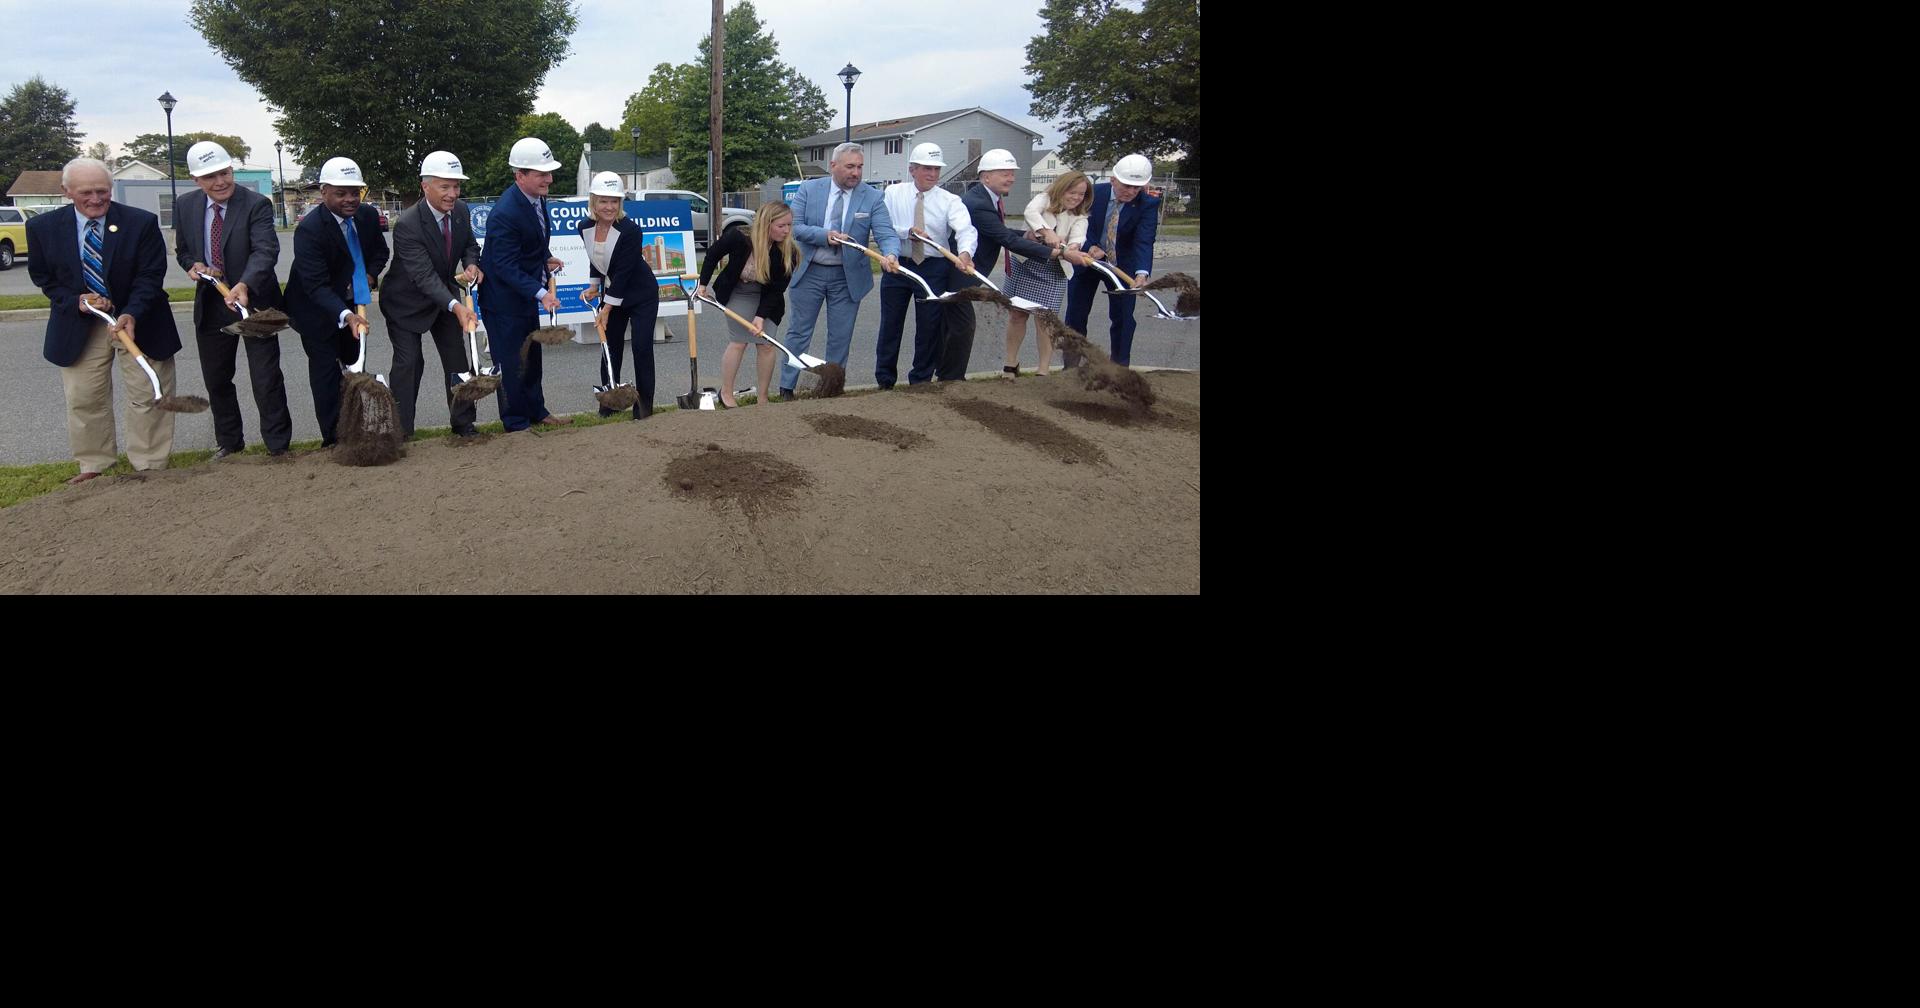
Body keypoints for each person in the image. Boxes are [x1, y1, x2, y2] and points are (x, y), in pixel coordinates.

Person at [25, 157, 182, 483]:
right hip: (79, 325)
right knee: (85, 398)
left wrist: (131, 312)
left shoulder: (141, 223)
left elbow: (151, 276)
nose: (96, 199)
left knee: (146, 395)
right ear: (67, 191)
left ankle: (150, 465)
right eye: (86, 192)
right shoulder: (42, 228)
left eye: (102, 191)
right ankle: (95, 464)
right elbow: (45, 278)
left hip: (139, 321)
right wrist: (75, 301)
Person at [173, 140, 292, 457]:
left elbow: (266, 251)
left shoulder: (255, 204)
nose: (220, 181)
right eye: (210, 176)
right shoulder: (185, 206)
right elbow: (182, 251)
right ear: (197, 180)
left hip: (253, 304)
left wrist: (245, 284)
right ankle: (229, 442)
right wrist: (192, 266)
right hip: (212, 306)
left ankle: (278, 447)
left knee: (265, 379)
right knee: (217, 379)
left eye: (224, 173)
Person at [283, 156, 390, 448]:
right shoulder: (310, 229)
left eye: (355, 192)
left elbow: (380, 253)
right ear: (324, 192)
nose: (350, 199)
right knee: (326, 373)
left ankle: (358, 428)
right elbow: (315, 285)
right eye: (341, 193)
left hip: (353, 306)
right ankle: (333, 439)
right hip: (315, 311)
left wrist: (369, 274)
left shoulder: (367, 217)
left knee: (355, 367)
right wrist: (346, 315)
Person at [379, 150, 485, 438]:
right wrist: (456, 306)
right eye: (445, 186)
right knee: (409, 363)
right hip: (405, 302)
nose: (452, 194)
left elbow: (469, 245)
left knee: (457, 361)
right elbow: (423, 276)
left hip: (444, 300)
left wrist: (471, 263)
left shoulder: (461, 211)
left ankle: (463, 424)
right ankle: (400, 431)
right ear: (425, 187)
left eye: (456, 186)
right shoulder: (408, 224)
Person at [780, 142, 897, 399]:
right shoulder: (809, 189)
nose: (856, 173)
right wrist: (825, 236)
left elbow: (885, 232)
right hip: (809, 272)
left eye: (859, 167)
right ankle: (787, 387)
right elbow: (795, 227)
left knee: (840, 336)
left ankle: (831, 388)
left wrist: (890, 254)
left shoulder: (872, 196)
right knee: (799, 332)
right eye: (850, 167)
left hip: (847, 277)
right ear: (833, 166)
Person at [477, 137, 571, 431]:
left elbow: (533, 241)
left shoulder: (536, 199)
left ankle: (536, 411)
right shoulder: (505, 213)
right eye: (542, 174)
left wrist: (545, 257)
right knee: (512, 362)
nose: (549, 179)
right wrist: (541, 292)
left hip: (524, 295)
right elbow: (504, 265)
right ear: (520, 175)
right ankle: (516, 422)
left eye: (549, 173)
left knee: (532, 357)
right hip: (503, 301)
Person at [947, 148, 1061, 381]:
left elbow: (998, 231)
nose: (1010, 178)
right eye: (1004, 173)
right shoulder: (978, 203)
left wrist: (1025, 235)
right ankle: (952, 378)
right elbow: (1005, 239)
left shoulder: (988, 198)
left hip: (969, 267)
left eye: (1012, 173)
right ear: (985, 176)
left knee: (955, 325)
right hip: (961, 269)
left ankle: (948, 375)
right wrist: (1054, 253)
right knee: (960, 326)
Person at [875, 142, 974, 389]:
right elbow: (882, 227)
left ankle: (920, 381)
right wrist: (905, 232)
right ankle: (885, 381)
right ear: (912, 170)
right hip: (898, 265)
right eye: (926, 168)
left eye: (936, 169)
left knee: (929, 326)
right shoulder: (892, 194)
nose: (932, 174)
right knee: (891, 324)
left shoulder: (950, 200)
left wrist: (964, 253)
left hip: (933, 268)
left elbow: (965, 229)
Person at [575, 171, 660, 418]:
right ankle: (609, 401)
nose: (609, 207)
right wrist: (593, 286)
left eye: (614, 201)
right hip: (614, 294)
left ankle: (644, 405)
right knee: (609, 346)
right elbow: (596, 260)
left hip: (641, 294)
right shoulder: (585, 227)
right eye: (603, 201)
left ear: (621, 203)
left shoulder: (631, 230)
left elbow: (623, 273)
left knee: (641, 347)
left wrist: (606, 308)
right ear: (593, 201)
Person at [696, 201, 797, 407]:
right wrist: (703, 284)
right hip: (737, 292)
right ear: (766, 224)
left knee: (766, 344)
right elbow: (713, 254)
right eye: (781, 226)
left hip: (766, 297)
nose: (786, 231)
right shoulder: (738, 237)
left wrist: (760, 317)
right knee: (739, 341)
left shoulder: (789, 253)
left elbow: (776, 290)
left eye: (789, 225)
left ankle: (762, 398)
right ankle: (726, 393)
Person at [1063, 153, 1160, 367]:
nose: (1132, 192)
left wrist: (1142, 272)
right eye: (1127, 186)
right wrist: (1089, 246)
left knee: (1123, 318)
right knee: (1076, 315)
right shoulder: (1092, 194)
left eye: (1137, 188)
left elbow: (1144, 240)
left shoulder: (1148, 204)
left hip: (1122, 264)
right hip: (1085, 261)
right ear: (1113, 179)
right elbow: (1074, 223)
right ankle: (1070, 368)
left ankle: (1119, 367)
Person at [1004, 170, 1096, 377]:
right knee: (1018, 314)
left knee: (1045, 320)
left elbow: (1078, 239)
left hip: (1055, 268)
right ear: (1061, 188)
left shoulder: (1080, 217)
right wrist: (1047, 232)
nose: (1075, 197)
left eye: (1081, 194)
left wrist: (1070, 249)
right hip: (1026, 262)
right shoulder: (1043, 200)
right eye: (1071, 192)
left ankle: (1043, 370)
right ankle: (1010, 364)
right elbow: (1030, 212)